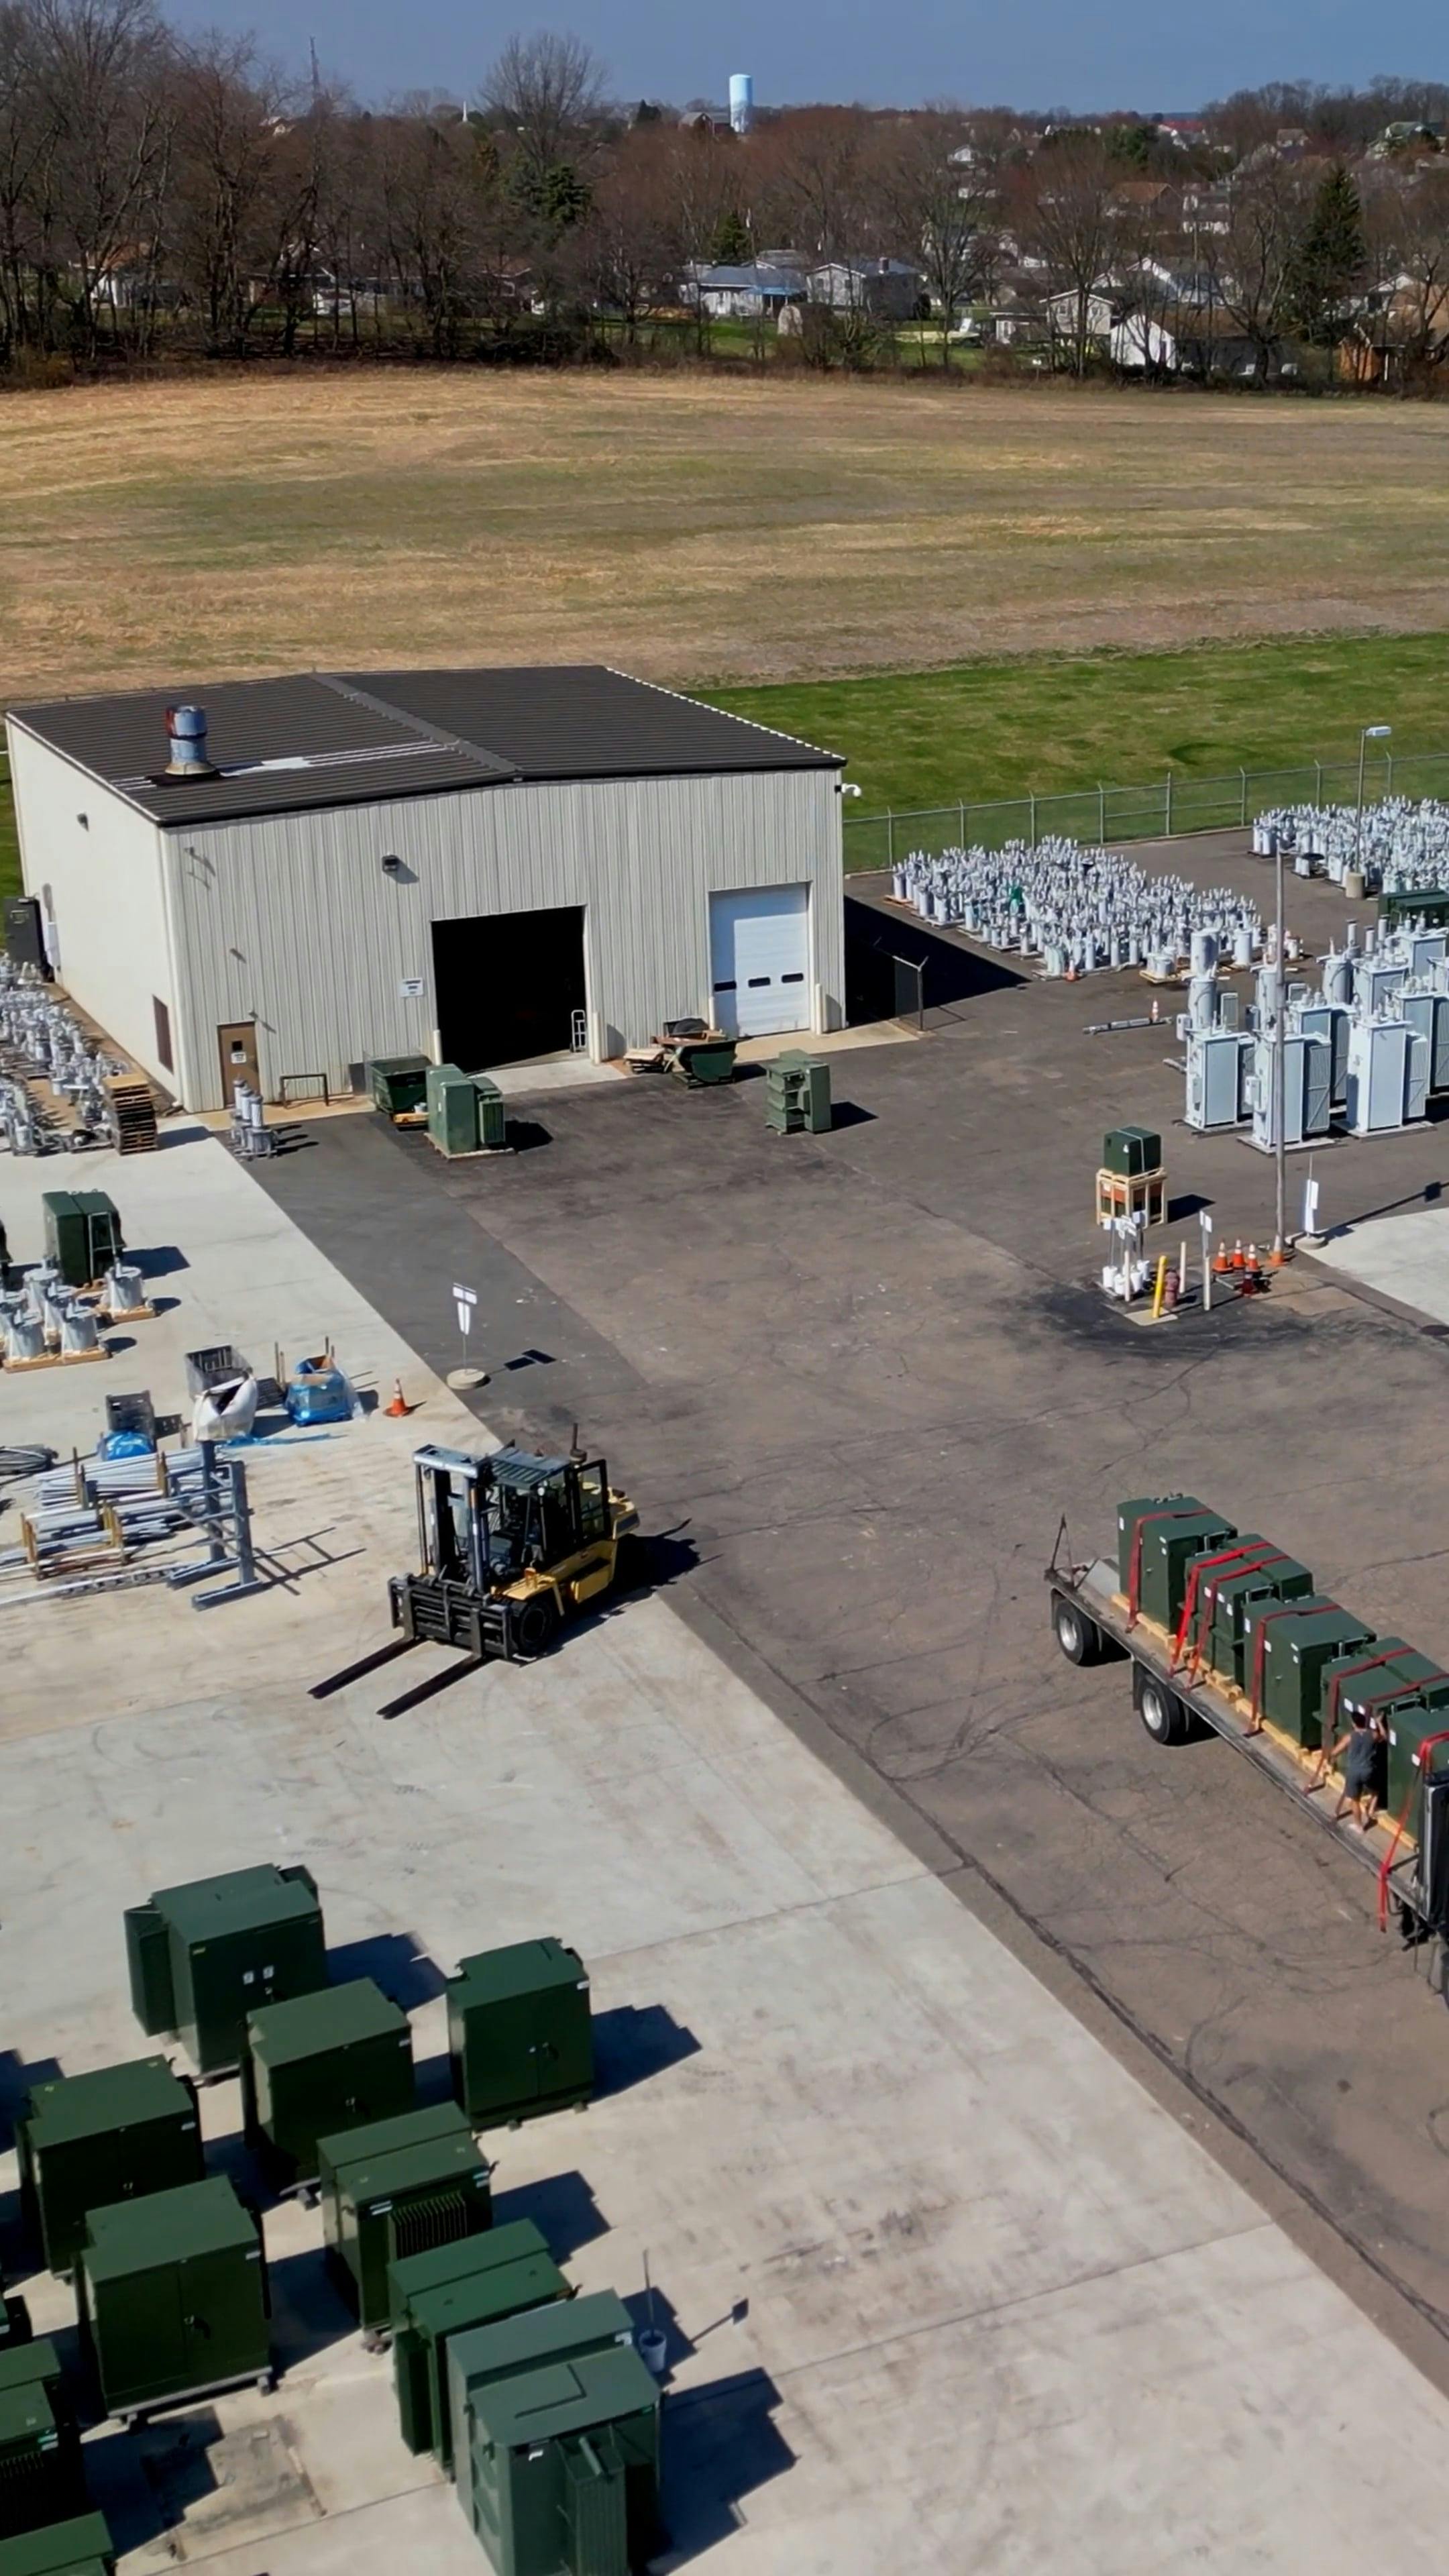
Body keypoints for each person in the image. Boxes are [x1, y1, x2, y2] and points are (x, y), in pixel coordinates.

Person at [1309, 1704, 1383, 1830]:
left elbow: (1335, 1752)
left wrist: (1329, 1758)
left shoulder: (1349, 1737)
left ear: (1354, 1724)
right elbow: (1383, 1736)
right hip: (1368, 1771)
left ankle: (1359, 1826)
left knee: (1355, 1800)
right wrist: (1379, 1723)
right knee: (1375, 1791)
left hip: (1353, 1772)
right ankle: (1371, 1810)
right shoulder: (1373, 1735)